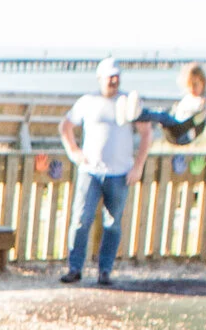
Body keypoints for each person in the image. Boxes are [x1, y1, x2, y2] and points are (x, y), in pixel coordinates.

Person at [57, 57, 152, 285]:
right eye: (110, 77)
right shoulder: (88, 101)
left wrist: (138, 166)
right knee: (81, 219)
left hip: (120, 173)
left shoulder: (128, 103)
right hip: (90, 170)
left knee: (113, 223)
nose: (114, 81)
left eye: (117, 76)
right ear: (100, 78)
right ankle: (75, 268)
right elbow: (65, 126)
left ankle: (105, 270)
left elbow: (147, 133)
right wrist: (74, 152)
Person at [137, 62, 206, 145]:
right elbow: (182, 111)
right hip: (176, 129)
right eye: (189, 86)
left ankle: (139, 114)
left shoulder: (203, 100)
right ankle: (139, 115)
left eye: (195, 85)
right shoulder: (189, 97)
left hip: (184, 133)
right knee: (162, 113)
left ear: (203, 82)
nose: (192, 89)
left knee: (162, 115)